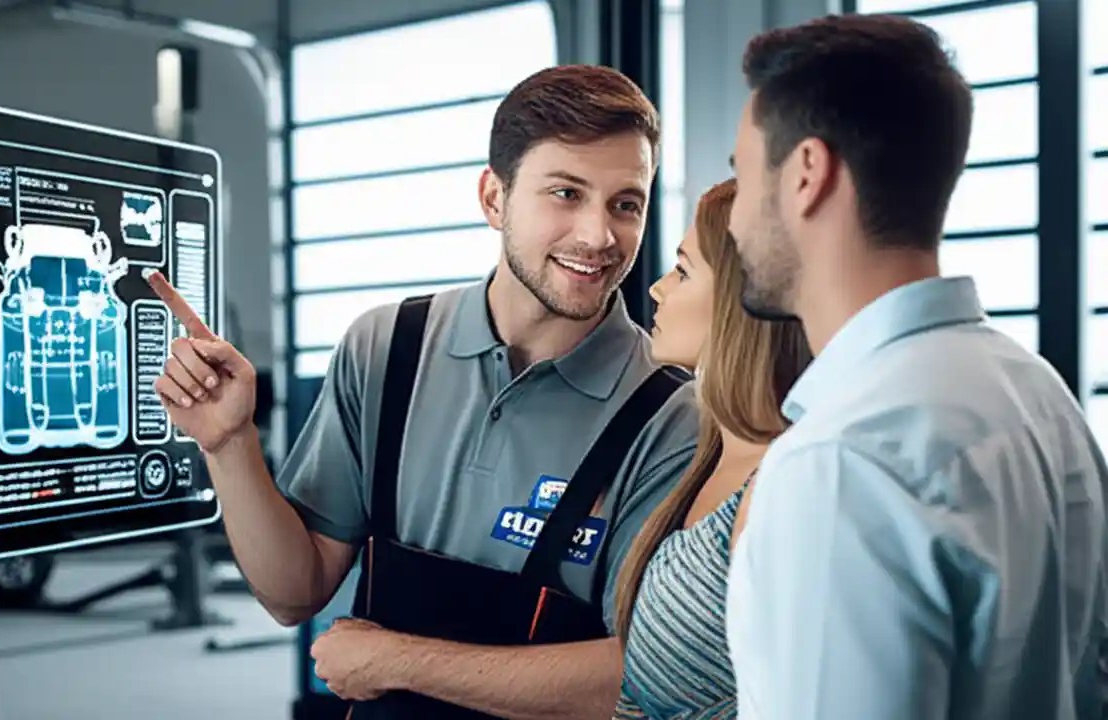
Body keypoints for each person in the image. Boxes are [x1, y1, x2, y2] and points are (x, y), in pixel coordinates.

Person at [147, 64, 700, 720]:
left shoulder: (668, 415)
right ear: (494, 198)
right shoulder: (386, 349)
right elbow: (293, 593)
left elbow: (640, 680)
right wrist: (230, 444)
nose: (598, 236)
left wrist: (396, 660)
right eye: (565, 193)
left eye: (625, 203)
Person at [723, 13, 1108, 719]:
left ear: (807, 173)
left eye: (742, 176)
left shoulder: (839, 460)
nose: (734, 220)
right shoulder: (1040, 396)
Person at [603, 179, 812, 720]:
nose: (656, 289)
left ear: (745, 298)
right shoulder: (707, 449)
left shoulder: (786, 487)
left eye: (683, 270)